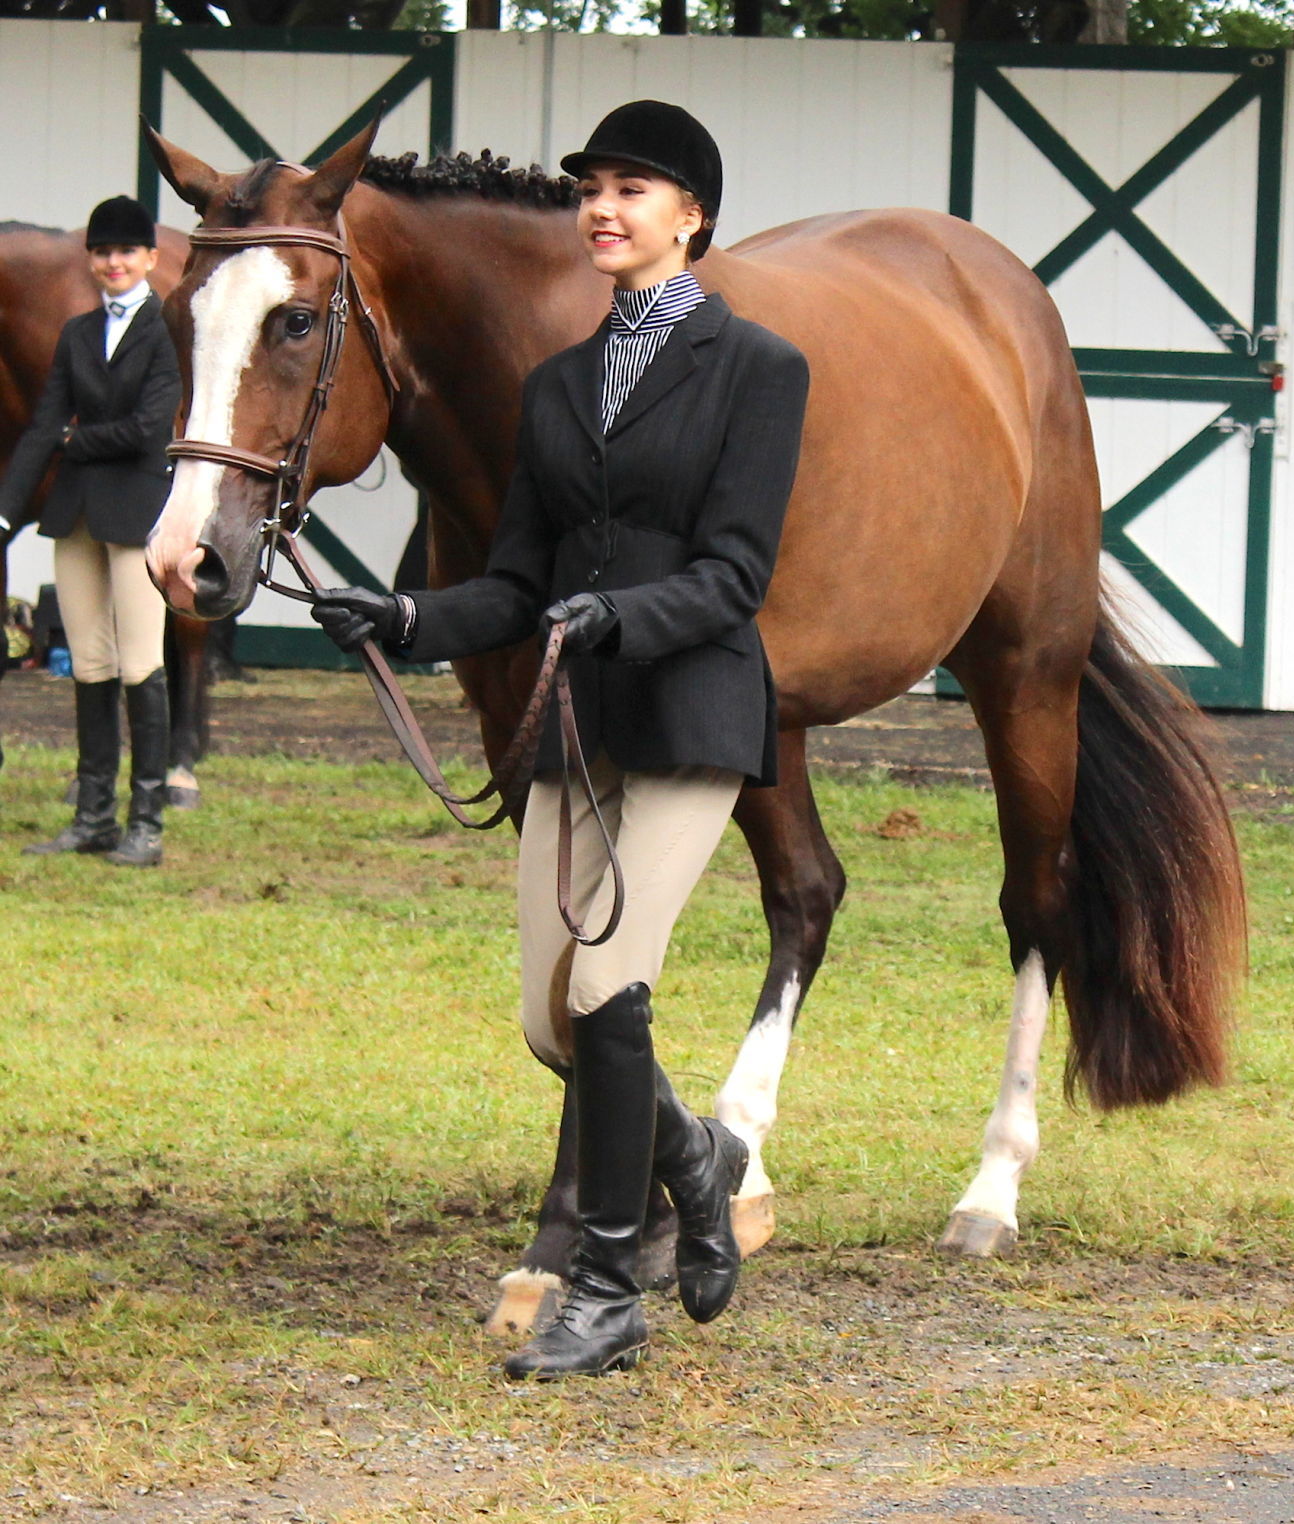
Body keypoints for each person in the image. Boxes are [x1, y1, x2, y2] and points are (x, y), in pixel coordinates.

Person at [312, 101, 810, 1379]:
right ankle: (698, 1157)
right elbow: (514, 582)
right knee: (552, 1024)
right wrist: (406, 616)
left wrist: (615, 615)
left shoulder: (759, 370)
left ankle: (605, 1290)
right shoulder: (556, 386)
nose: (602, 207)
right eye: (591, 188)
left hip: (691, 713)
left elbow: (734, 576)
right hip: (578, 723)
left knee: (603, 994)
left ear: (691, 215)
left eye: (631, 189)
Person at [0, 196, 180, 868]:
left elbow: (150, 430)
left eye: (125, 251)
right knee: (90, 664)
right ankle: (94, 816)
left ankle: (147, 823)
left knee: (140, 663)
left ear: (150, 258)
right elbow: (43, 427)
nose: (113, 262)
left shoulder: (166, 332)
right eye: (103, 252)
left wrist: (77, 441)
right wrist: (4, 513)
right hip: (74, 513)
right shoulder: (77, 333)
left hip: (135, 512)